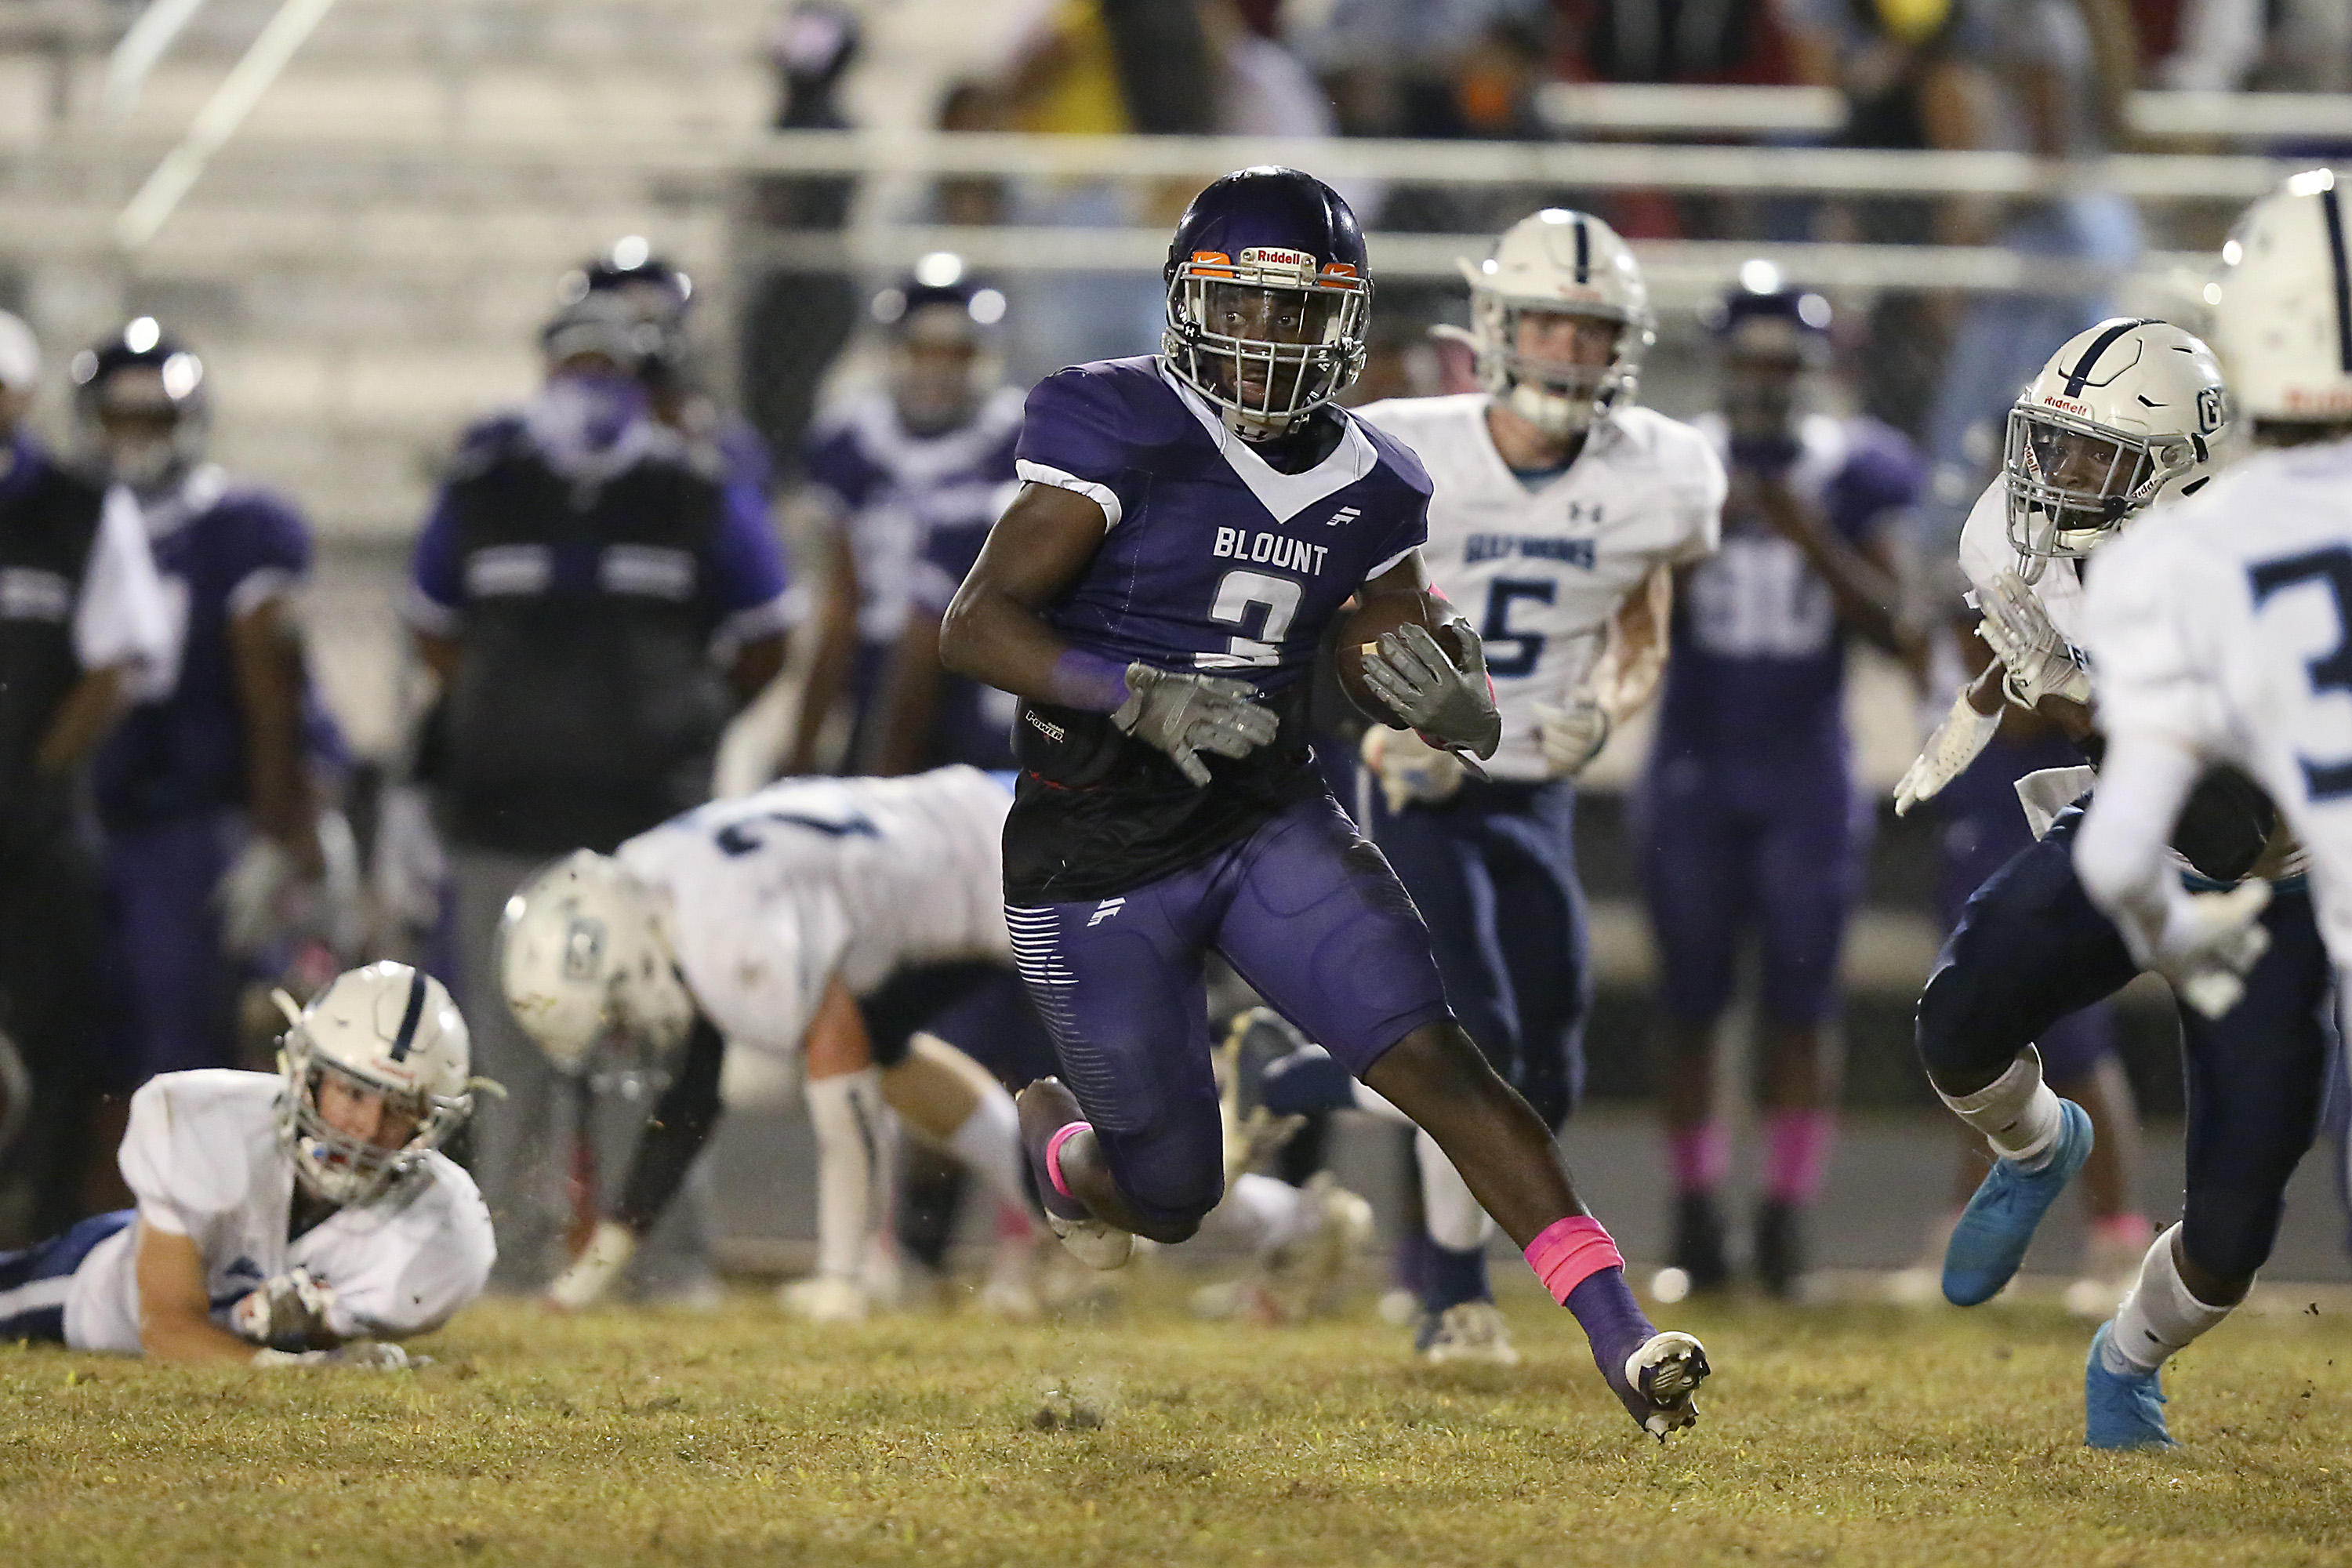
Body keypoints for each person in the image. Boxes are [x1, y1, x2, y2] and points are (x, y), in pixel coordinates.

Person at [937, 166, 1711, 1437]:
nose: (1273, 337)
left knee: (1445, 1061)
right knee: (1174, 1190)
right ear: (1191, 303)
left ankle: (1623, 1340)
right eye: (1248, 304)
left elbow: (1386, 637)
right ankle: (1066, 1155)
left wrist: (1454, 704)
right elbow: (977, 625)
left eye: (1305, 311)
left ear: (1346, 323)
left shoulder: (1378, 479)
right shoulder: (1115, 422)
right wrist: (1131, 691)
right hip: (1094, 853)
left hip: (1263, 822)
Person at [1889, 310, 2334, 1434]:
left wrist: (2104, 712)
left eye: (2098, 457)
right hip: (2131, 830)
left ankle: (2127, 1359)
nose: (2059, 475)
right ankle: (2041, 1147)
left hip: (2269, 887)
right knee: (1954, 1028)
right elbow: (2040, 660)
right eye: (2053, 442)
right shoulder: (2006, 535)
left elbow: (2250, 810)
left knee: (2232, 1236)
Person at [495, 766, 1363, 1321]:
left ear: (625, 954)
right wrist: (591, 1276)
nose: (623, 1029)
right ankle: (1294, 1219)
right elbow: (699, 1094)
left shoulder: (723, 941)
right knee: (910, 1069)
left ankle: (1283, 1105)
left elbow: (833, 1100)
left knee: (1130, 1144)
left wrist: (841, 1277)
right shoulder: (654, 873)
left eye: (611, 1010)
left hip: (1038, 863)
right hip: (986, 839)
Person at [1323, 208, 1722, 1362]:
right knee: (1475, 1029)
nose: (1564, 351)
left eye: (1589, 330)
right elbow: (1335, 607)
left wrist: (1612, 703)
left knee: (1552, 1048)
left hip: (1539, 780)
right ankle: (1452, 1292)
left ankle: (1298, 1081)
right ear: (1495, 325)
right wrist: (1385, 713)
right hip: (1418, 776)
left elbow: (1643, 618)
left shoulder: (1666, 468)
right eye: (1545, 322)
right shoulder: (1405, 443)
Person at [403, 290, 792, 1294]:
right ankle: (510, 1266)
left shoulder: (696, 490)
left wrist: (679, 729)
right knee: (510, 1055)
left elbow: (768, 635)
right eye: (574, 368)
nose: (589, 389)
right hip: (501, 817)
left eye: (609, 371)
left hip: (647, 832)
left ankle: (656, 1267)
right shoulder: (486, 485)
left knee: (645, 1054)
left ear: (641, 383)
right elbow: (432, 625)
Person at [2071, 169, 2352, 1450]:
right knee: (2232, 1228)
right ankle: (2126, 1361)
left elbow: (2129, 831)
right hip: (2280, 894)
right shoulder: (2195, 531)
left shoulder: (2192, 540)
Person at [1637, 269, 1919, 1298]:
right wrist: (1695, 554)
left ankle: (1787, 1218)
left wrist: (1814, 539)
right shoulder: (1678, 462)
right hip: (1694, 768)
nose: (1764, 384)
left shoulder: (1861, 468)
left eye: (1782, 366)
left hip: (1805, 771)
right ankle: (1695, 1213)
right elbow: (1632, 625)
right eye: (1749, 364)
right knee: (1688, 1006)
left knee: (1801, 1008)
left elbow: (1900, 629)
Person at [76, 318, 355, 1085]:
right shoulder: (62, 519)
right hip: (85, 812)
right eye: (119, 416)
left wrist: (283, 826)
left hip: (201, 817)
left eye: (153, 417)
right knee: (90, 1054)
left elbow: (279, 680)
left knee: (192, 1049)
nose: (135, 435)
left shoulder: (239, 526)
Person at [0, 960, 495, 1363]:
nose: (367, 1127)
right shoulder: (209, 1123)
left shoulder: (446, 1231)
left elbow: (327, 1336)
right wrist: (301, 1371)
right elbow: (167, 1327)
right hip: (96, 1291)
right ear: (307, 1076)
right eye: (353, 1093)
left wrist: (316, 1326)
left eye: (399, 1110)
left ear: (431, 1123)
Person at [0, 310, 172, 1243]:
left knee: (53, 1035)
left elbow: (119, 660)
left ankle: (37, 1232)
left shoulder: (76, 505)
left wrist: (33, 778)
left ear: (20, 397)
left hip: (35, 821)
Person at [800, 257, 1025, 776]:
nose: (936, 368)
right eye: (920, 349)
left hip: (978, 679)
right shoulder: (849, 440)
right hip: (874, 673)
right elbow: (838, 598)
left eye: (956, 351)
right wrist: (803, 743)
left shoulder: (1021, 439)